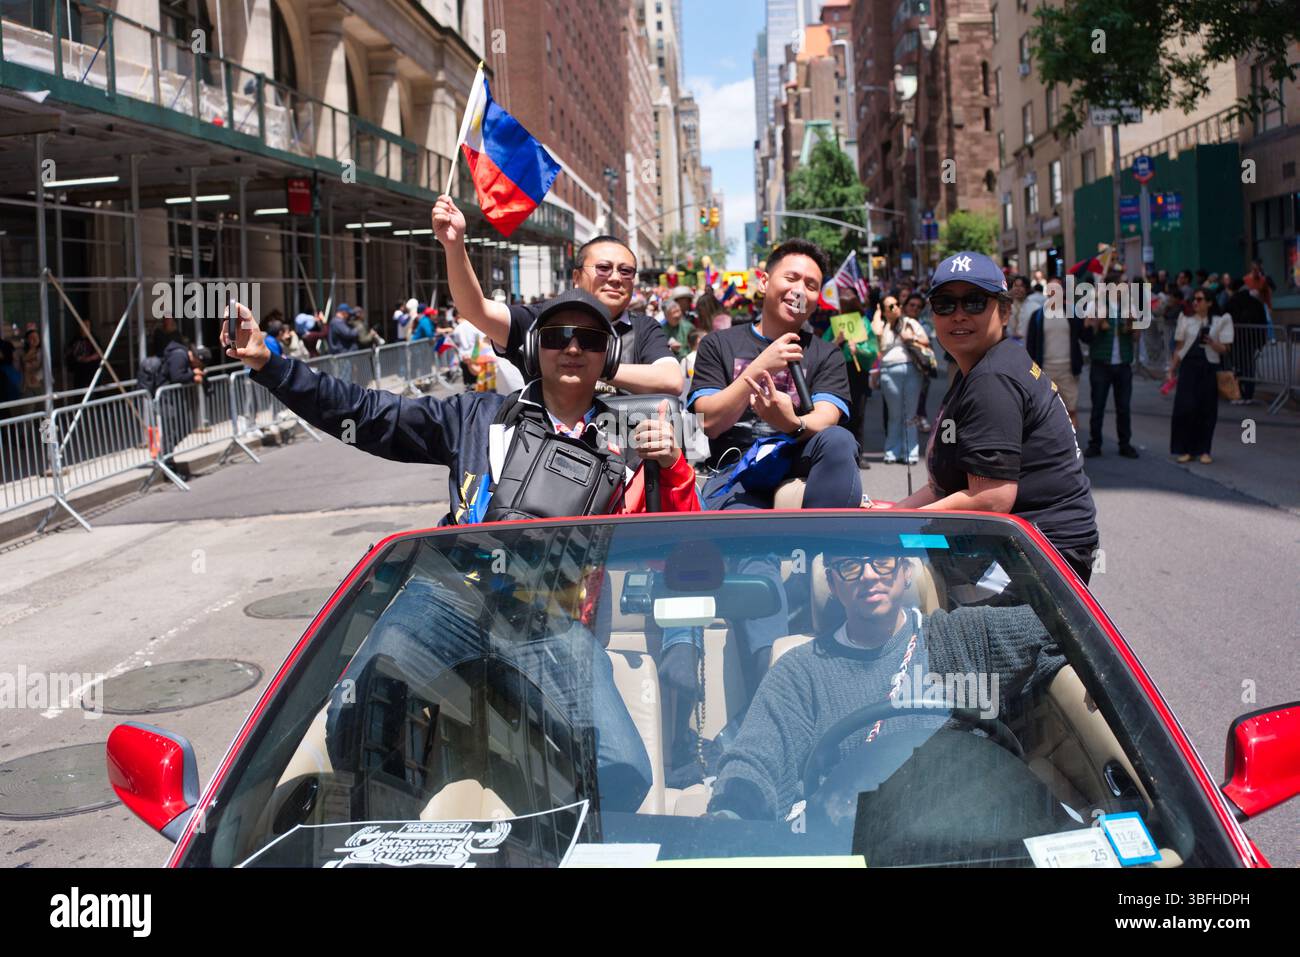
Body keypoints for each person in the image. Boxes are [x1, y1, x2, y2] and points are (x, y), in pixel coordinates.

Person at [222, 288, 698, 526]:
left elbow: (684, 550)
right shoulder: (475, 418)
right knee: (364, 690)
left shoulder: (635, 435)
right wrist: (271, 365)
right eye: (556, 336)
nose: (572, 348)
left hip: (570, 625)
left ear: (609, 355)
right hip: (460, 606)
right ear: (535, 350)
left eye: (589, 339)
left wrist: (673, 467)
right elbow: (366, 413)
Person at [707, 541, 1066, 822]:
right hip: (854, 840)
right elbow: (757, 760)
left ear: (906, 572)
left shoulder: (965, 636)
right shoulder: (800, 672)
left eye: (881, 561)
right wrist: (730, 814)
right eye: (849, 566)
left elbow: (1067, 629)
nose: (868, 575)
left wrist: (1093, 675)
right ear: (832, 583)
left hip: (971, 834)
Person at [891, 251, 1099, 584]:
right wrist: (892, 516)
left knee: (896, 585)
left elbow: (991, 498)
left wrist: (901, 528)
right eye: (945, 304)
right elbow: (942, 488)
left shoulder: (992, 379)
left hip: (1039, 561)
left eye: (974, 302)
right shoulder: (981, 368)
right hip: (1021, 546)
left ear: (1003, 311)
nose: (959, 315)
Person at [433, 194, 682, 396]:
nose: (616, 278)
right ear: (575, 277)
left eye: (626, 271)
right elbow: (476, 310)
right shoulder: (539, 319)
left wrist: (593, 366)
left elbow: (671, 380)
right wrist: (454, 247)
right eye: (604, 268)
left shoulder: (645, 329)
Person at [689, 238, 860, 511]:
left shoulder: (828, 354)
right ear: (764, 282)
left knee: (840, 439)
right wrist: (761, 366)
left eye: (810, 285)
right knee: (747, 542)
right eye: (791, 278)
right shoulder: (718, 343)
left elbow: (827, 419)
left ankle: (825, 547)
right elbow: (709, 421)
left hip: (799, 458)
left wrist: (791, 423)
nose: (799, 291)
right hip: (738, 473)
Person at [1079, 271, 1140, 458]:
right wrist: (1094, 322)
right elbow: (1086, 336)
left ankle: (1125, 443)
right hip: (1101, 364)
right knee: (1098, 406)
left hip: (1123, 364)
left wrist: (1132, 324)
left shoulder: (1130, 306)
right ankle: (1095, 444)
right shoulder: (1096, 305)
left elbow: (1137, 338)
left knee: (1124, 407)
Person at [1170, 288, 1232, 464]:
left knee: (1207, 410)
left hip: (1209, 367)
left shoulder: (1222, 320)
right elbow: (1179, 346)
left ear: (1210, 302)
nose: (1195, 302)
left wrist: (1212, 342)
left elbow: (1226, 349)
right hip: (1189, 367)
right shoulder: (1185, 319)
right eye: (1193, 299)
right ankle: (1186, 449)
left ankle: (1205, 450)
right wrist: (1172, 368)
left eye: (1199, 299)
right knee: (1185, 408)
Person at [871, 293, 929, 464]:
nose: (895, 307)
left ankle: (910, 453)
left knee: (910, 414)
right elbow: (875, 334)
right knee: (895, 414)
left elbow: (925, 340)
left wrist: (911, 338)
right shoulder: (882, 326)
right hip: (889, 371)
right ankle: (892, 452)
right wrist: (877, 313)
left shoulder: (910, 322)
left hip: (912, 369)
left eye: (896, 304)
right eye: (889, 306)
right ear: (883, 310)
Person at [821, 291, 877, 468]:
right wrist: (836, 342)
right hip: (839, 372)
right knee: (840, 413)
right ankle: (841, 454)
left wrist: (858, 349)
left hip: (857, 373)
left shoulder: (864, 323)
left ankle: (859, 454)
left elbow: (872, 350)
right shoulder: (836, 324)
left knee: (858, 413)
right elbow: (822, 347)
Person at [1025, 275, 1085, 429]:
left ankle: (1073, 447)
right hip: (1045, 370)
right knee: (1046, 412)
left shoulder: (1072, 313)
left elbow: (1085, 336)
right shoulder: (1037, 316)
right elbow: (1030, 346)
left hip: (1068, 370)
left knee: (1071, 410)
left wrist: (1090, 323)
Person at [1226, 278, 1266, 404]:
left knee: (1238, 366)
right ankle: (1248, 393)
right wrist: (1260, 342)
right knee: (1249, 366)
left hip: (1236, 339)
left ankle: (1241, 392)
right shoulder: (1256, 302)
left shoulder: (1232, 301)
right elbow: (1262, 321)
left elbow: (1225, 318)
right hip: (1252, 339)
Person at [19, 326, 44, 397]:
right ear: (27, 340)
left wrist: (37, 376)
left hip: (40, 384)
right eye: (31, 337)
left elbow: (46, 366)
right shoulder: (22, 352)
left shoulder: (43, 351)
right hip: (27, 385)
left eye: (36, 337)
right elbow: (19, 368)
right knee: (28, 407)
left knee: (44, 406)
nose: (34, 339)